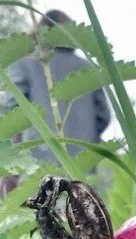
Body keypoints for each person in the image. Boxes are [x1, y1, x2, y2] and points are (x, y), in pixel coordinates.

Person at [8, 9, 111, 160]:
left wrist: (14, 160)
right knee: (81, 185)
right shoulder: (89, 69)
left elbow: (14, 115)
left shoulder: (23, 64)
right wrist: (88, 138)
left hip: (37, 160)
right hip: (84, 159)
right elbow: (103, 115)